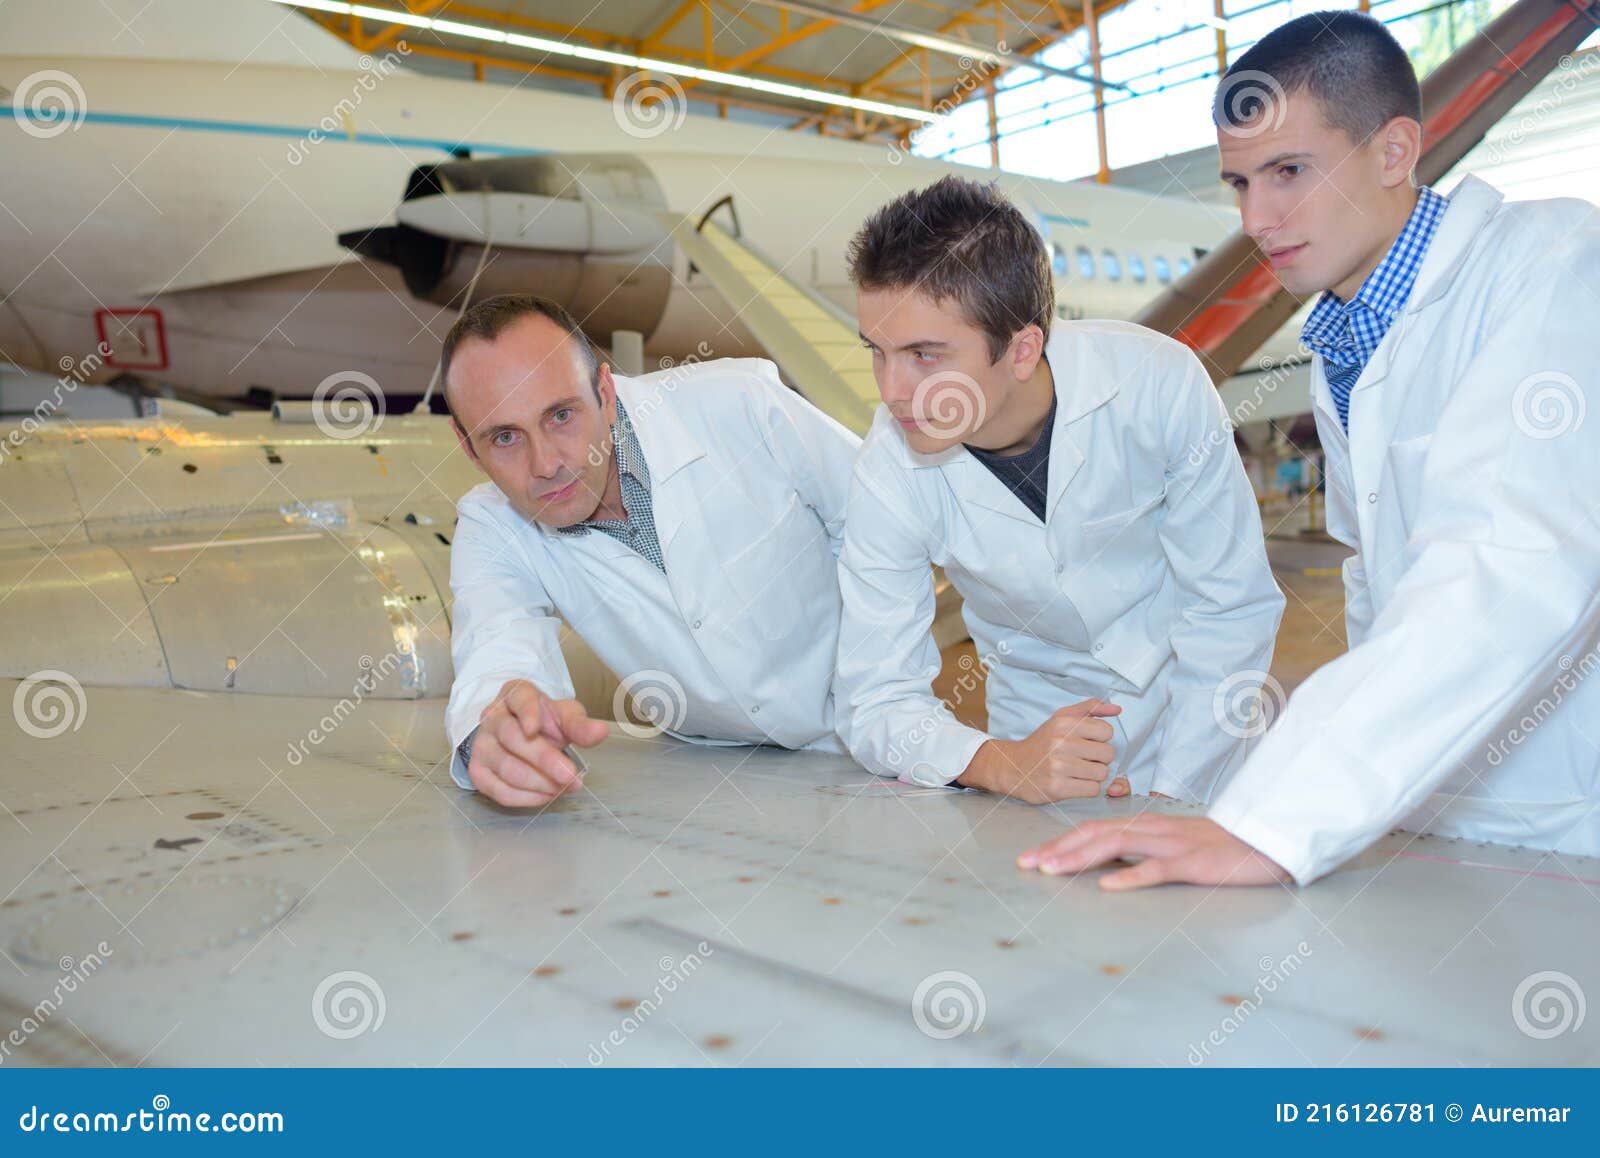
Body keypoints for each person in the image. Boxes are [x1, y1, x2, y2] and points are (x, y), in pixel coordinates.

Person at [1020, 10, 1600, 888]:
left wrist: (1278, 818)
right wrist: (1347, 805)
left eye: (1289, 172)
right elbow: (1378, 580)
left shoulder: (1552, 269)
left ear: (1396, 151)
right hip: (1426, 810)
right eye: (1240, 184)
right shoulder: (1346, 339)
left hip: (1562, 815)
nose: (1258, 218)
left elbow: (1507, 563)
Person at [834, 176, 1284, 806]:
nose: (891, 391)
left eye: (924, 355)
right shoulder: (888, 468)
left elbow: (1229, 608)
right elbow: (874, 697)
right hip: (1038, 751)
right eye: (877, 352)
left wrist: (1179, 790)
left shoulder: (1157, 384)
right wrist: (999, 763)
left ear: (1022, 350)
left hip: (1198, 736)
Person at [442, 294, 860, 807]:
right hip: (711, 775)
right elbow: (497, 644)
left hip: (864, 743)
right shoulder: (491, 526)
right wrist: (500, 728)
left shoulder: (739, 404)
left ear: (605, 391)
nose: (546, 463)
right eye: (505, 437)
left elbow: (882, 523)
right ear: (467, 446)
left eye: (560, 416)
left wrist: (886, 691)